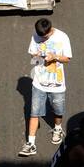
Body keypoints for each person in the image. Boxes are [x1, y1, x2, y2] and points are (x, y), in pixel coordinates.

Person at [19, 18, 72, 157]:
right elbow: (32, 54)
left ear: (50, 30)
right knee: (34, 112)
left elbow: (67, 58)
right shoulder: (36, 35)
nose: (41, 39)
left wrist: (54, 56)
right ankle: (30, 144)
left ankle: (58, 129)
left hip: (57, 83)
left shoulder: (62, 37)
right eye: (40, 37)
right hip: (38, 82)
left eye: (44, 37)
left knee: (58, 110)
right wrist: (37, 55)